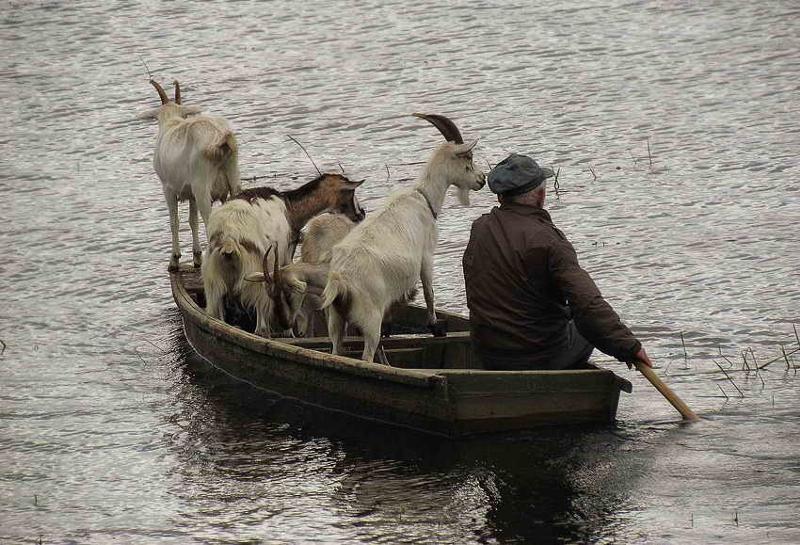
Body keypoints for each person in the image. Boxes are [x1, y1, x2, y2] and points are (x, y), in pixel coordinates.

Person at [462, 153, 653, 371]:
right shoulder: (549, 240)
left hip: (488, 354)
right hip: (539, 357)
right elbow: (589, 306)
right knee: (587, 323)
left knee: (574, 312)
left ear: (500, 198)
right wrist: (629, 347)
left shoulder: (480, 228)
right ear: (541, 196)